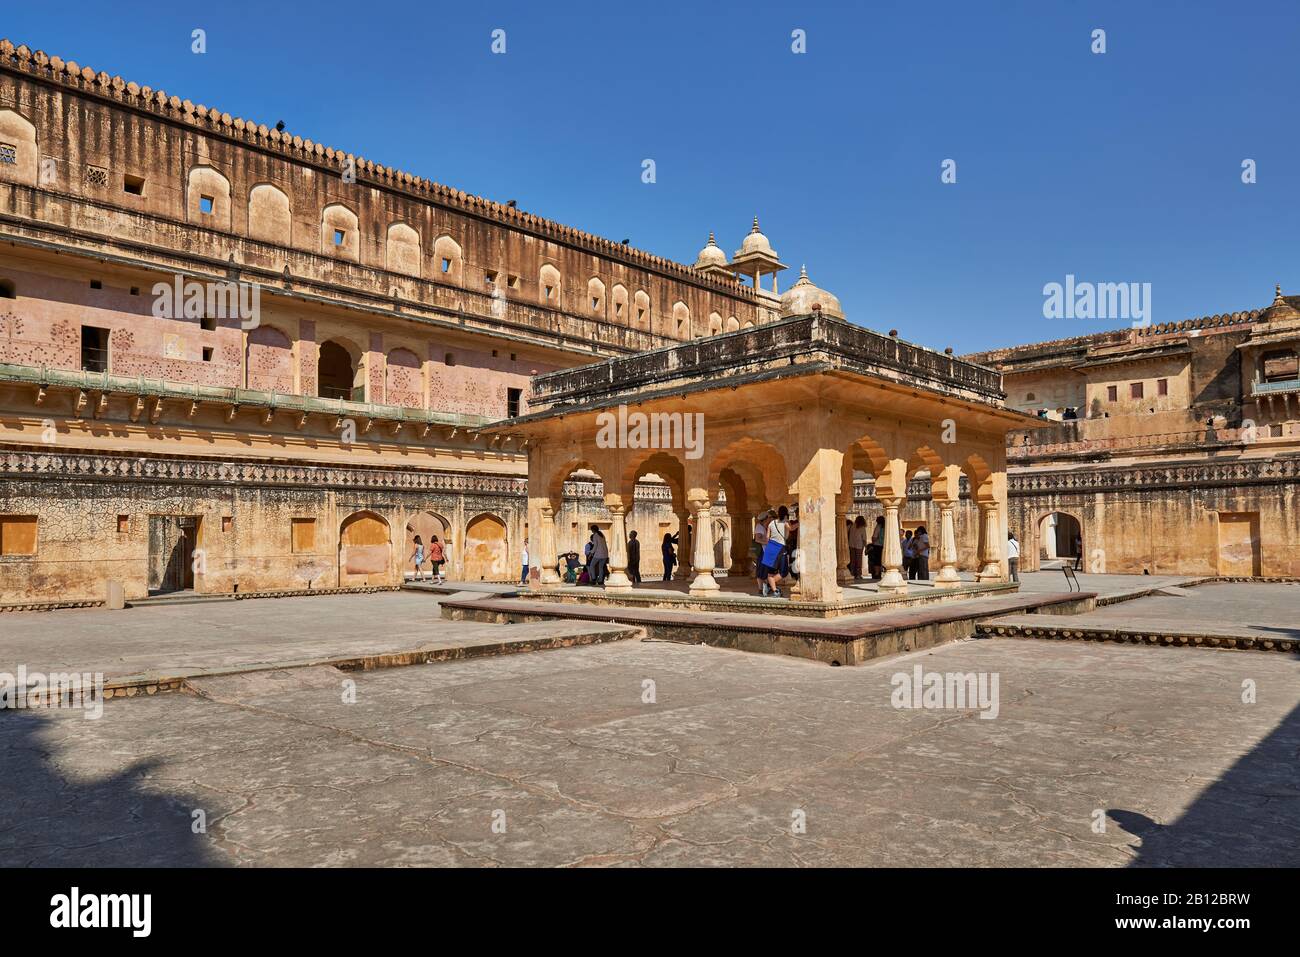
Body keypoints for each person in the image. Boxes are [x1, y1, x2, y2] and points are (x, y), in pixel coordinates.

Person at [762, 506, 790, 598]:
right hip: (780, 548)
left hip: (770, 548)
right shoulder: (785, 522)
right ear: (786, 514)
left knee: (770, 572)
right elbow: (791, 529)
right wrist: (800, 522)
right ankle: (771, 585)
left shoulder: (771, 523)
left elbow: (767, 538)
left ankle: (773, 590)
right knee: (784, 571)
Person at [752, 512, 771, 595]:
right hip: (762, 552)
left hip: (765, 551)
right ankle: (760, 588)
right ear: (766, 518)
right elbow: (757, 539)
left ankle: (765, 587)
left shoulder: (764, 527)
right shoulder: (759, 527)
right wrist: (767, 543)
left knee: (765, 570)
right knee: (761, 570)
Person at [848, 515, 867, 580]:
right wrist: (866, 546)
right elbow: (864, 538)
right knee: (859, 560)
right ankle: (858, 575)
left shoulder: (852, 526)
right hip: (859, 545)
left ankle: (852, 573)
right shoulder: (862, 527)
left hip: (851, 545)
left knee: (852, 560)